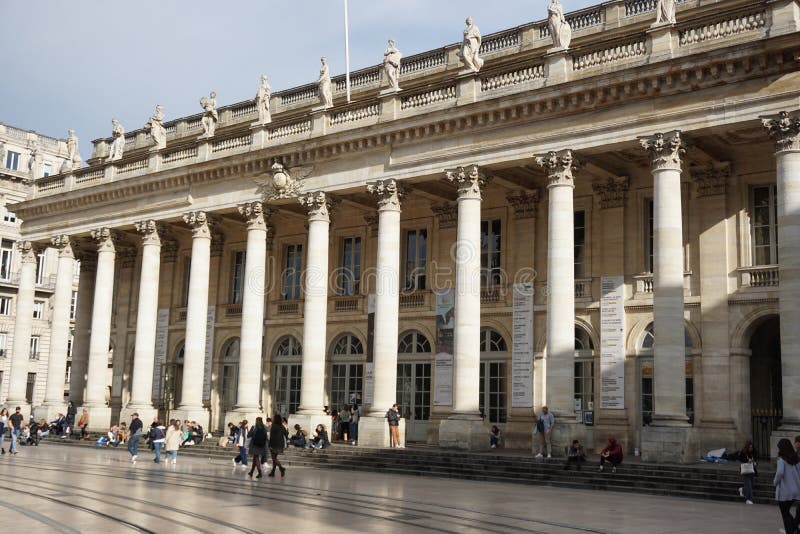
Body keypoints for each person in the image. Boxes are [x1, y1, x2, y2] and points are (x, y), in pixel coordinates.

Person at [774, 438, 800, 534]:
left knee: (785, 514)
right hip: (795, 490)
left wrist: (775, 482)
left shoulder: (781, 460)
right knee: (787, 513)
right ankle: (794, 530)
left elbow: (780, 473)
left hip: (784, 491)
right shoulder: (795, 459)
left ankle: (792, 530)